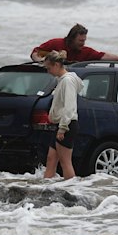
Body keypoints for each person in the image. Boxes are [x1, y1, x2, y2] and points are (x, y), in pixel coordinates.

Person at [43, 50, 83, 180]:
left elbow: (69, 107)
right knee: (51, 159)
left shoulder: (67, 81)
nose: (48, 71)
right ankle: (46, 187)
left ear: (56, 65)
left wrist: (63, 128)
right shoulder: (61, 80)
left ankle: (71, 191)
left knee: (65, 162)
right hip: (59, 125)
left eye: (48, 68)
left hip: (67, 125)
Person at [30, 23, 118, 63]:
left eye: (84, 40)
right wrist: (40, 61)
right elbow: (35, 53)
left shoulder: (85, 52)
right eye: (81, 41)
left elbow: (103, 55)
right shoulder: (55, 44)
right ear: (72, 38)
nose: (83, 43)